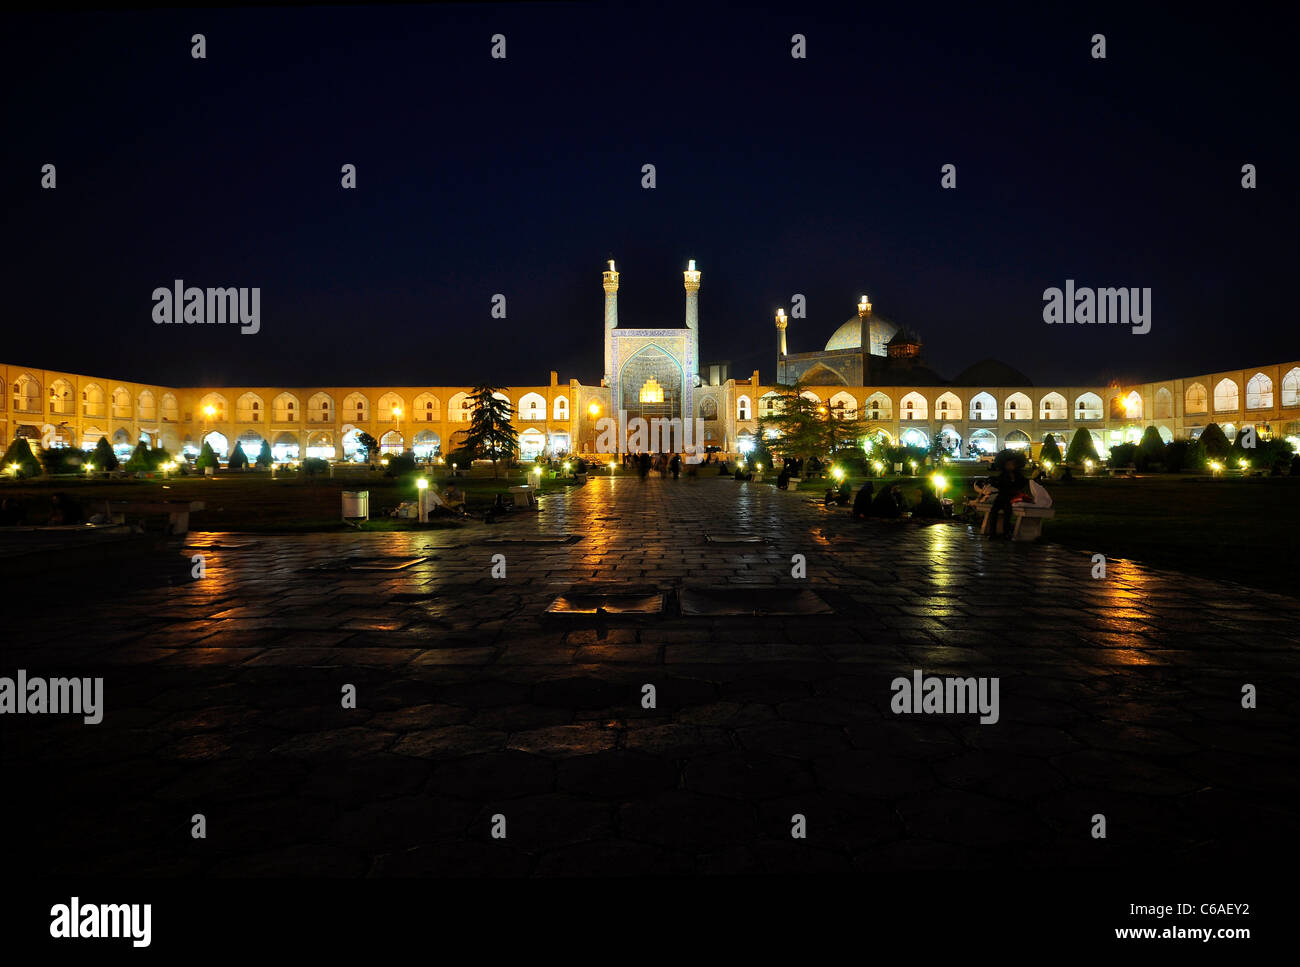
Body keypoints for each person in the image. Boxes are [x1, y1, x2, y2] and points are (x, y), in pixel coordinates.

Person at [989, 458, 1030, 538]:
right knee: (993, 512)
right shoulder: (1003, 475)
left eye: (1011, 464)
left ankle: (1006, 532)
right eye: (1007, 465)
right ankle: (992, 533)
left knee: (1008, 512)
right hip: (1001, 497)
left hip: (1011, 498)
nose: (1009, 466)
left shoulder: (1018, 475)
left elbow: (1023, 484)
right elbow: (999, 485)